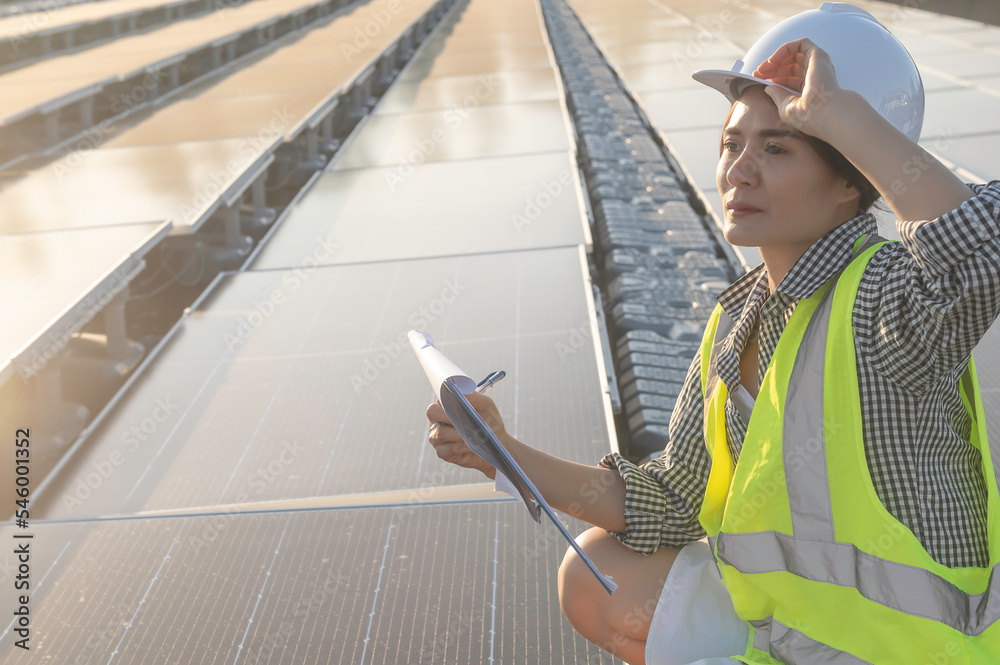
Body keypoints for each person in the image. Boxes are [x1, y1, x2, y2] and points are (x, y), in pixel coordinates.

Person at [425, 5, 1000, 665]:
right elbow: (672, 499)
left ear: (852, 179)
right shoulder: (739, 318)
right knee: (594, 571)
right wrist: (504, 451)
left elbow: (986, 250)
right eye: (732, 144)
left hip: (915, 649)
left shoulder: (884, 297)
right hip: (797, 632)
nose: (740, 170)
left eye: (777, 147)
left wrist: (840, 115)